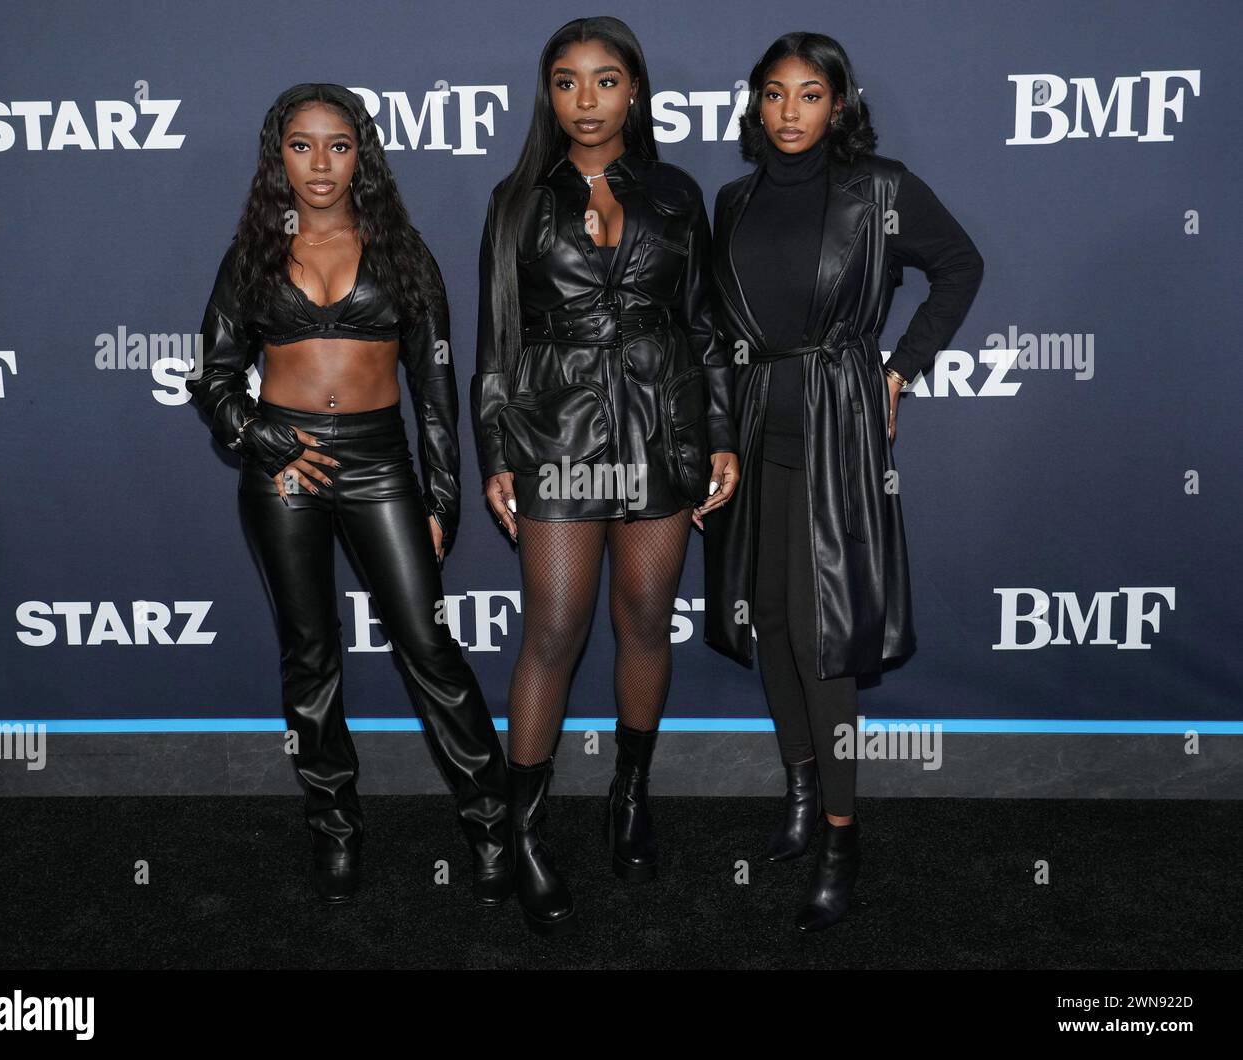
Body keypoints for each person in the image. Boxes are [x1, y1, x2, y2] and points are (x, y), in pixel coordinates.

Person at [186, 83, 510, 907]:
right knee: (310, 658)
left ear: (362, 152)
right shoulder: (254, 252)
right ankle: (334, 828)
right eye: (302, 145)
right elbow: (214, 375)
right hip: (284, 467)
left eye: (338, 144)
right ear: (278, 156)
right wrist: (263, 440)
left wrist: (442, 498)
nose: (320, 163)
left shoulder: (402, 250)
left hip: (379, 466)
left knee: (430, 650)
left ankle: (494, 828)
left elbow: (436, 386)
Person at [704, 32, 984, 931]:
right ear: (755, 105)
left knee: (826, 638)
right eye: (776, 94)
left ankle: (839, 833)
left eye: (810, 94)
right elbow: (716, 328)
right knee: (773, 621)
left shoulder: (881, 191)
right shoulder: (732, 200)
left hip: (840, 428)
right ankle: (798, 789)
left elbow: (959, 268)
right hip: (757, 429)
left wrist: (900, 369)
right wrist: (718, 434)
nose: (791, 112)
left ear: (839, 105)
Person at [471, 16, 739, 936]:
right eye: (566, 81)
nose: (586, 100)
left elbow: (703, 325)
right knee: (551, 627)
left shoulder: (676, 192)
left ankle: (631, 793)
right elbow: (495, 343)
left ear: (635, 91)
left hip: (662, 430)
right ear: (547, 93)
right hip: (556, 432)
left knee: (644, 620)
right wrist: (494, 451)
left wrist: (720, 434)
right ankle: (526, 832)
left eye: (605, 80)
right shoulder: (515, 200)